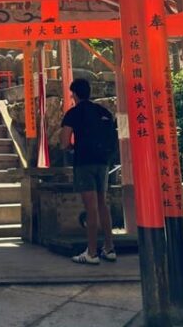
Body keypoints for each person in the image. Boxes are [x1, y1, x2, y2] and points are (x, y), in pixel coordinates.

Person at [60, 78, 116, 264]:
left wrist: (71, 147)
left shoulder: (73, 113)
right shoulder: (103, 111)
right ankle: (109, 248)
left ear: (74, 94)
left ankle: (91, 252)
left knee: (90, 208)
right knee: (103, 205)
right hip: (103, 162)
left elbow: (64, 142)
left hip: (84, 163)